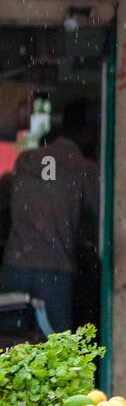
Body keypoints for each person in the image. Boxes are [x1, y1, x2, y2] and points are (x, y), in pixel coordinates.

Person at [0, 97, 98, 333]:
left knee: (11, 348)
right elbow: (103, 218)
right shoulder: (85, 169)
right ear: (87, 132)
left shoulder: (26, 160)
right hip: (55, 272)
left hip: (16, 266)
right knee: (54, 355)